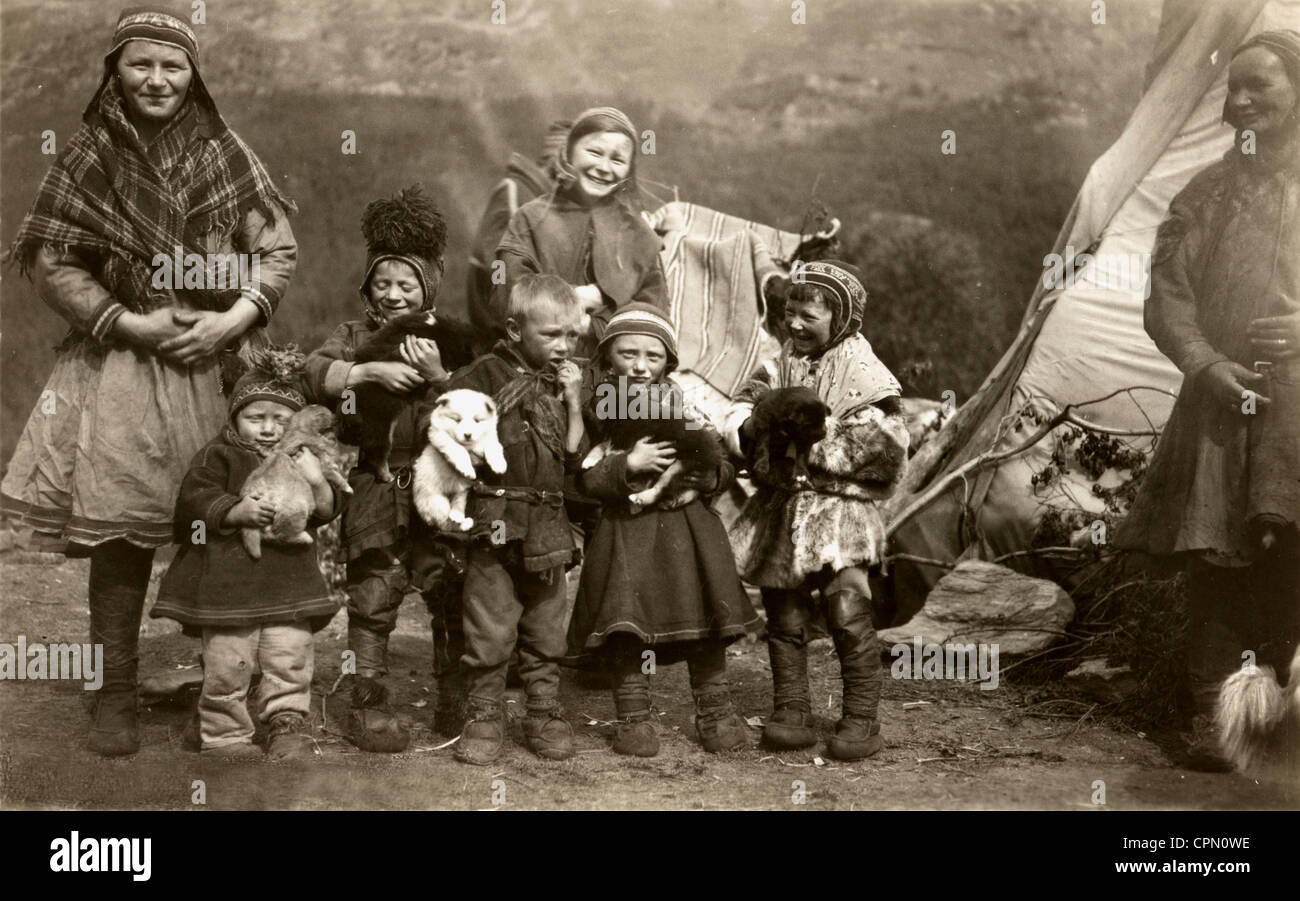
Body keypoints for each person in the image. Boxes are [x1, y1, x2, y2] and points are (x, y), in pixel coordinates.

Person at [1, 6, 297, 756]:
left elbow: (275, 252)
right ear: (115, 71)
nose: (157, 80)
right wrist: (128, 324)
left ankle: (225, 692)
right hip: (121, 367)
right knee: (122, 538)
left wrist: (234, 319)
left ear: (194, 73)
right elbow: (53, 261)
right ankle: (115, 692)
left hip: (216, 366)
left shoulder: (225, 152)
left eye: (173, 66)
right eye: (140, 64)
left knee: (227, 525)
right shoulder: (87, 153)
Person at [1116, 30, 1300, 771]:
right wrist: (1205, 363)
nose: (1242, 100)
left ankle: (1284, 726)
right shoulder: (1204, 193)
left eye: (1262, 84)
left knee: (1290, 554)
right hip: (1222, 407)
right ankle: (1215, 723)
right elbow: (1167, 299)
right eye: (1234, 87)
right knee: (1217, 567)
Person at [723, 260, 910, 761]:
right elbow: (746, 403)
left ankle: (861, 717)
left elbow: (886, 443)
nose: (796, 324)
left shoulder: (866, 373)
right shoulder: (779, 360)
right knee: (783, 610)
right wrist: (751, 424)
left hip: (839, 511)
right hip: (784, 506)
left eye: (809, 315)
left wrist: (813, 438)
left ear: (842, 319)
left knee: (846, 608)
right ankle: (791, 708)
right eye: (789, 313)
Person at [302, 184, 462, 752]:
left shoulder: (450, 340)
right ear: (368, 287)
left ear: (429, 286)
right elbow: (312, 371)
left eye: (407, 284)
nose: (394, 295)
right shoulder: (353, 337)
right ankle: (366, 702)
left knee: (449, 588)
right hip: (377, 483)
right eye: (382, 284)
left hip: (440, 486)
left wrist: (440, 376)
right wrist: (366, 375)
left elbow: (479, 399)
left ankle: (456, 697)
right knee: (375, 592)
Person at [568, 303, 758, 756]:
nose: (639, 366)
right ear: (606, 356)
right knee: (625, 623)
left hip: (689, 531)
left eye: (653, 356)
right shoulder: (600, 406)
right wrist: (625, 467)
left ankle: (714, 711)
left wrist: (706, 482)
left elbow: (725, 460)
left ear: (669, 361)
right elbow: (581, 473)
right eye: (627, 353)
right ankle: (633, 717)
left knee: (708, 617)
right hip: (626, 530)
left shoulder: (687, 401)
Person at [150, 352, 342, 759]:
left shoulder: (301, 455)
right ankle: (224, 733)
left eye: (281, 419)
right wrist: (236, 511)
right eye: (256, 418)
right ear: (235, 417)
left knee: (290, 654)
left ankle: (286, 722)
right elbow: (194, 498)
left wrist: (316, 481)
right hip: (228, 583)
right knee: (229, 661)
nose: (269, 429)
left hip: (288, 581)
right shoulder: (218, 455)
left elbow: (325, 510)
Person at [434, 273, 587, 765]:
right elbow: (444, 434)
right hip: (494, 520)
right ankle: (483, 715)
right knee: (491, 626)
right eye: (552, 335)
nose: (564, 346)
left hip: (547, 524)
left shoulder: (569, 383)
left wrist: (573, 402)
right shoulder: (480, 376)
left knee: (546, 627)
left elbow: (575, 457)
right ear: (515, 330)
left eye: (572, 335)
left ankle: (542, 712)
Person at [492, 106, 667, 360]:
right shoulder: (528, 219)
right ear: (569, 153)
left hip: (613, 370)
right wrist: (572, 301)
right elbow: (505, 295)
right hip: (535, 364)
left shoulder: (639, 235)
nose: (604, 168)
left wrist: (592, 327)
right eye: (594, 152)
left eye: (617, 160)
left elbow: (653, 314)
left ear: (628, 170)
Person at [466, 118, 572, 352]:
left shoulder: (549, 201)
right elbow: (496, 267)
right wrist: (505, 327)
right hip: (504, 342)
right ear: (559, 160)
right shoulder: (515, 193)